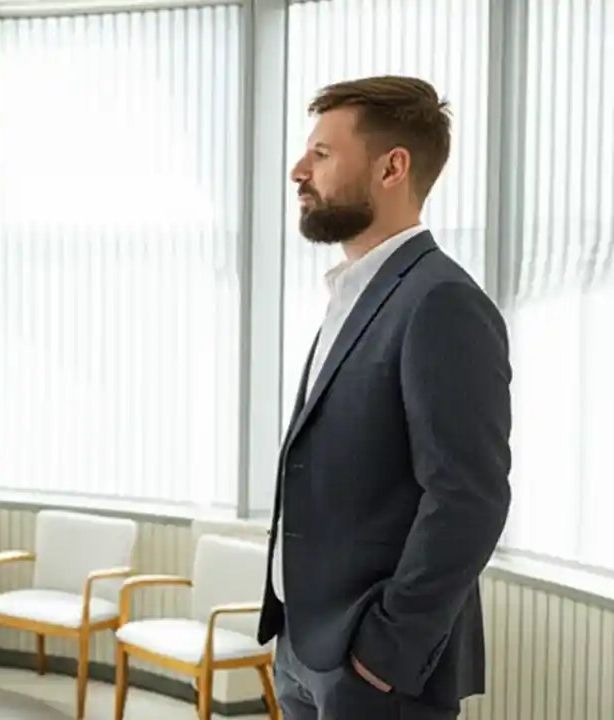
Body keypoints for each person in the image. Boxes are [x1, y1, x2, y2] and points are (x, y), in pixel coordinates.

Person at [257, 76, 512, 719]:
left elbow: (468, 497)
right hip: (302, 642)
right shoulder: (353, 293)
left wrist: (384, 654)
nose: (297, 170)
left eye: (321, 154)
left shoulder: (440, 301)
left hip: (371, 670)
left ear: (392, 167)